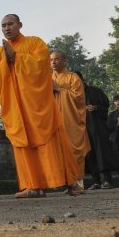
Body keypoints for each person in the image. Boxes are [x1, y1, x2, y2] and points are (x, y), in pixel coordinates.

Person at [0, 14, 81, 198]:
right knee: (24, 145)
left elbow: (41, 65)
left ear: (20, 25)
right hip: (16, 109)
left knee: (53, 141)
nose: (7, 28)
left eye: (10, 24)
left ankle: (71, 182)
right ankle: (33, 186)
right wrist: (6, 62)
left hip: (37, 106)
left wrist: (16, 57)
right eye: (3, 25)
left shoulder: (35, 43)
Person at [50, 50, 89, 186]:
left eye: (56, 59)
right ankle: (68, 183)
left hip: (71, 119)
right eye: (51, 60)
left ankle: (78, 183)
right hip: (55, 120)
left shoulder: (73, 77)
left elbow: (79, 98)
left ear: (64, 61)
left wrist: (59, 90)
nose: (53, 62)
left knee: (74, 149)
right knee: (59, 151)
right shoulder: (48, 78)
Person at [82, 80, 115, 189]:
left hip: (97, 126)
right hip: (82, 128)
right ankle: (95, 180)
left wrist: (96, 107)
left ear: (82, 80)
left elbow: (105, 104)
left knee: (102, 151)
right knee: (89, 154)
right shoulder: (72, 94)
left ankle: (107, 180)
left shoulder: (95, 91)